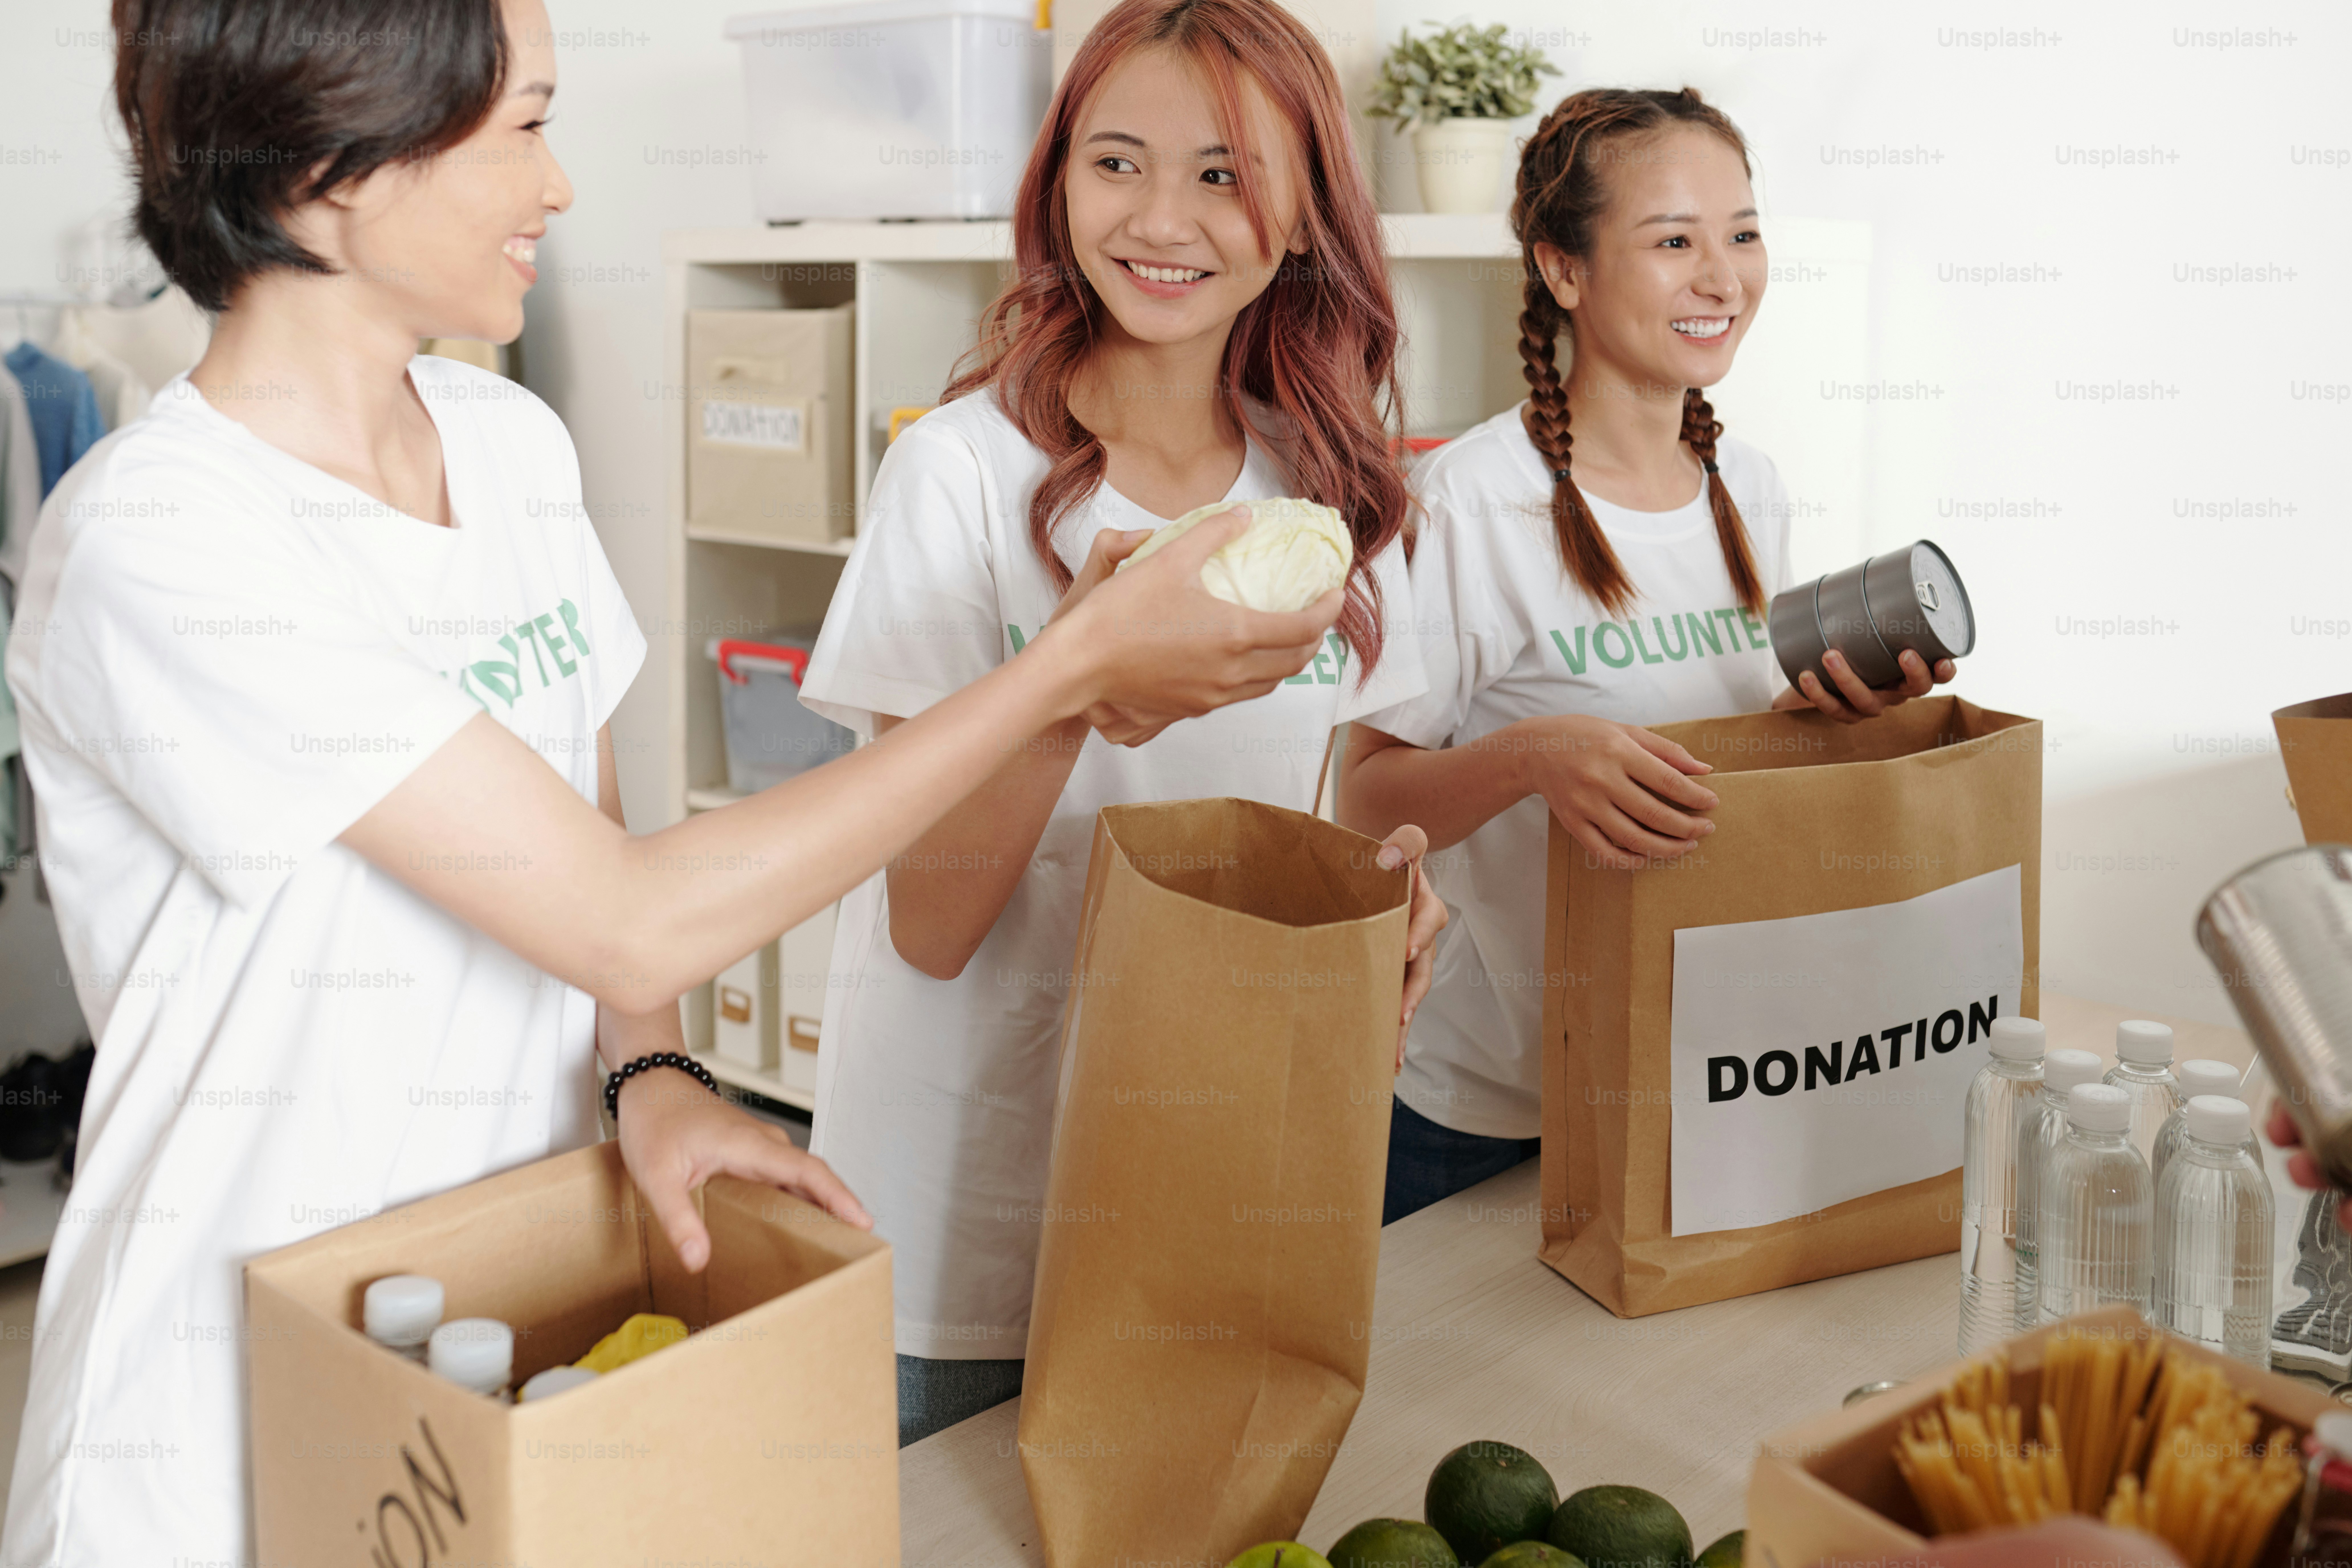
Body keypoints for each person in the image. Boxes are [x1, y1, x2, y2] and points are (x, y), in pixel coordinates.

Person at [0, 0, 1347, 1561]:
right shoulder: (165, 541)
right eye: (524, 126)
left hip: (507, 1300)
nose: (561, 187)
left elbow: (592, 818)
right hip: (221, 1384)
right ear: (336, 159)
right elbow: (623, 918)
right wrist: (1068, 668)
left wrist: (651, 1076)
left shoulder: (506, 443)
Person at [797, 0, 1446, 1444]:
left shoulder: (1322, 483)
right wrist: (1081, 681)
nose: (1163, 218)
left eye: (1226, 173)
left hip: (1206, 1180)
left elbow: (1305, 808)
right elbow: (930, 922)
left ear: (1303, 218)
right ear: (1057, 186)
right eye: (1117, 162)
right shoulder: (961, 476)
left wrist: (1382, 896)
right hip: (966, 1210)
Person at [1338, 88, 1956, 1223]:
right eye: (1674, 240)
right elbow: (1364, 803)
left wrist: (1827, 717)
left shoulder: (1751, 487)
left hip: (1691, 1076)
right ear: (1563, 271)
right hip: (1482, 1108)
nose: (1722, 277)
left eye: (1743, 233)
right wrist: (1534, 757)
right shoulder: (1469, 501)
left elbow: (1712, 761)